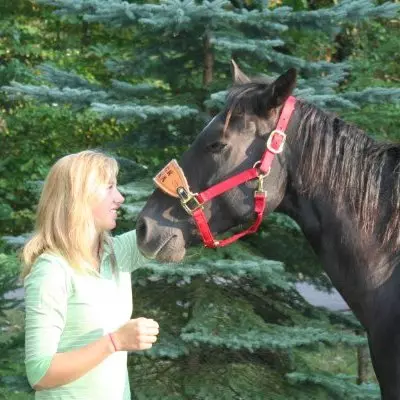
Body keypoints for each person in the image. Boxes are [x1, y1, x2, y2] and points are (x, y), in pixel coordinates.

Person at [21, 150, 159, 400]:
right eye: (109, 187)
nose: (120, 197)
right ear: (78, 196)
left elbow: (175, 225)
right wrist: (114, 342)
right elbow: (40, 375)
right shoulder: (52, 270)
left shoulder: (117, 253)